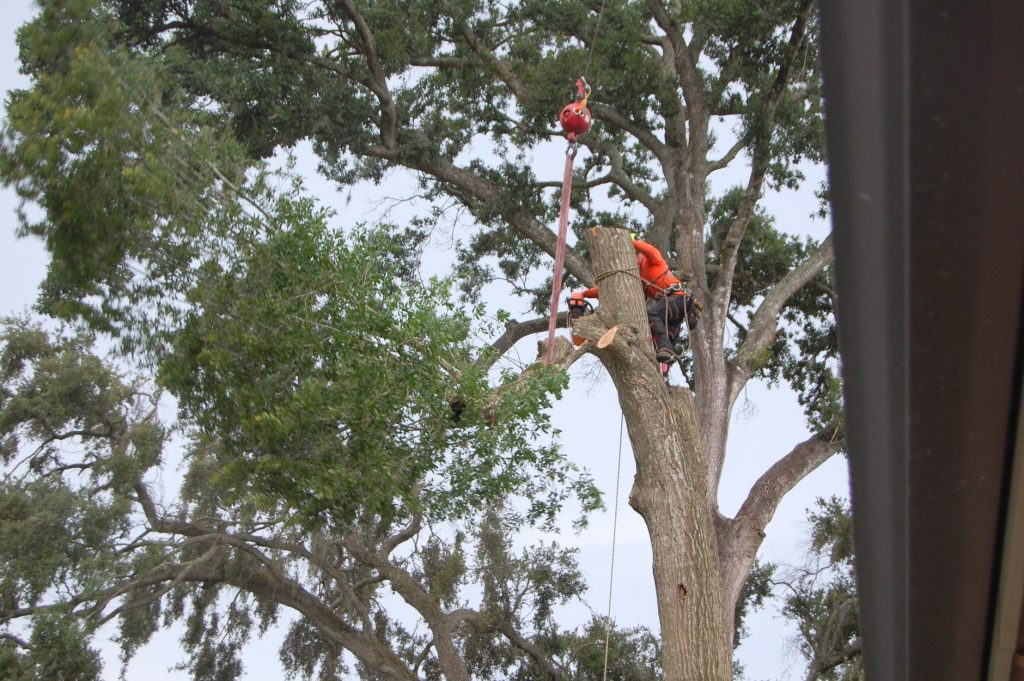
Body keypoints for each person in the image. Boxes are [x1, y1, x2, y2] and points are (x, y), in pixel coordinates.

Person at [571, 238, 699, 362]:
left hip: (678, 297)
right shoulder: (635, 277)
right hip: (673, 304)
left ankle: (666, 349)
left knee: (653, 315)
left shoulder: (652, 260)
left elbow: (649, 249)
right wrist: (584, 294)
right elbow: (610, 289)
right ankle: (667, 355)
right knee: (663, 333)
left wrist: (628, 241)